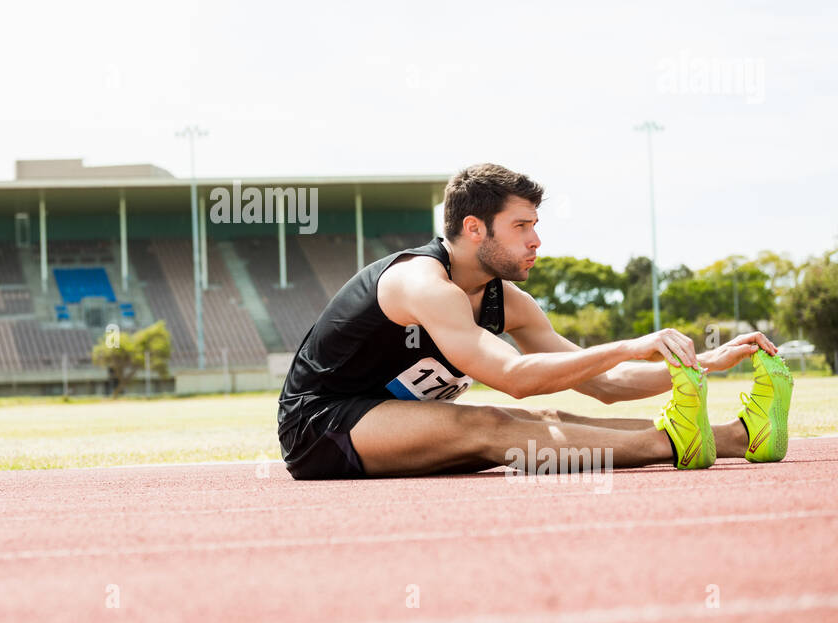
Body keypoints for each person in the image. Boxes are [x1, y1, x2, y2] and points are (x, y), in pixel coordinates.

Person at [277, 162, 793, 480]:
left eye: (536, 226)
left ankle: (738, 435)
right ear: (474, 229)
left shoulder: (511, 302)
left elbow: (605, 384)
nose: (536, 241)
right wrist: (631, 343)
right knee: (492, 424)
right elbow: (515, 381)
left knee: (551, 425)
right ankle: (673, 444)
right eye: (521, 226)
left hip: (389, 419)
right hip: (321, 426)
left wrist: (700, 363)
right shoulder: (423, 284)